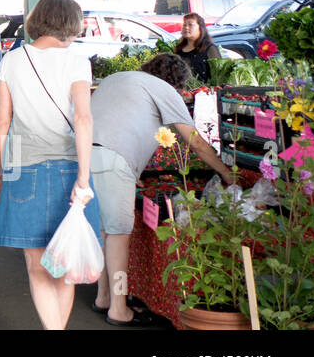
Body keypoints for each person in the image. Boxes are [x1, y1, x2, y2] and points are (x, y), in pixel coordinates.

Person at [89, 53, 234, 326]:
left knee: (106, 230)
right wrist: (226, 172)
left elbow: (114, 121)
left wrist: (127, 170)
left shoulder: (117, 78)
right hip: (112, 158)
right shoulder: (164, 89)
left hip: (84, 155)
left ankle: (104, 297)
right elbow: (196, 143)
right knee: (119, 233)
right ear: (177, 81)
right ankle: (118, 309)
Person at [0, 0, 101, 330]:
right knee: (64, 263)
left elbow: (1, 121)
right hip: (70, 170)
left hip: (24, 170)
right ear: (71, 22)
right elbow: (83, 120)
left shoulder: (12, 60)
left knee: (37, 265)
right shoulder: (77, 61)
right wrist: (84, 177)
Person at [172, 13, 220, 83]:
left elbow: (218, 73)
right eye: (184, 25)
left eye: (190, 25)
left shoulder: (210, 49)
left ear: (200, 28)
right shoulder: (178, 50)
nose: (186, 27)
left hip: (204, 92)